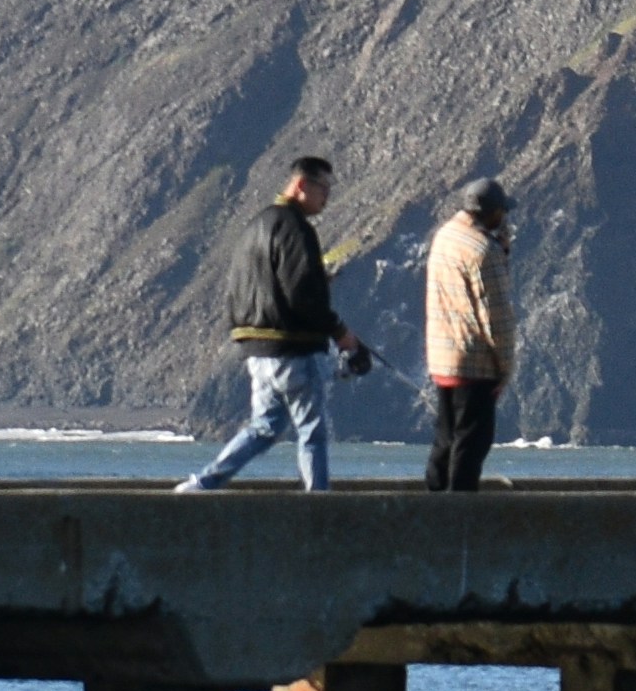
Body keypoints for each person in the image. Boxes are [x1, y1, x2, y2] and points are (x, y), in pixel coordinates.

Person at [179, 157, 377, 492]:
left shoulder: (254, 226)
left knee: (265, 427)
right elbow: (302, 295)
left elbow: (260, 286)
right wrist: (342, 333)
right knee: (312, 431)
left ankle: (203, 483)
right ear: (302, 186)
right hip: (294, 348)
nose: (327, 197)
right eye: (323, 188)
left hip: (256, 350)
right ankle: (319, 502)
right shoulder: (297, 229)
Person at [420, 178, 515, 489]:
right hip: (474, 362)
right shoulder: (484, 251)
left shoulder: (444, 236)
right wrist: (505, 367)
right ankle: (460, 512)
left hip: (442, 357)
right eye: (502, 211)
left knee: (445, 438)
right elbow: (496, 318)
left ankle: (432, 504)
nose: (505, 218)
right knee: (472, 442)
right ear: (490, 213)